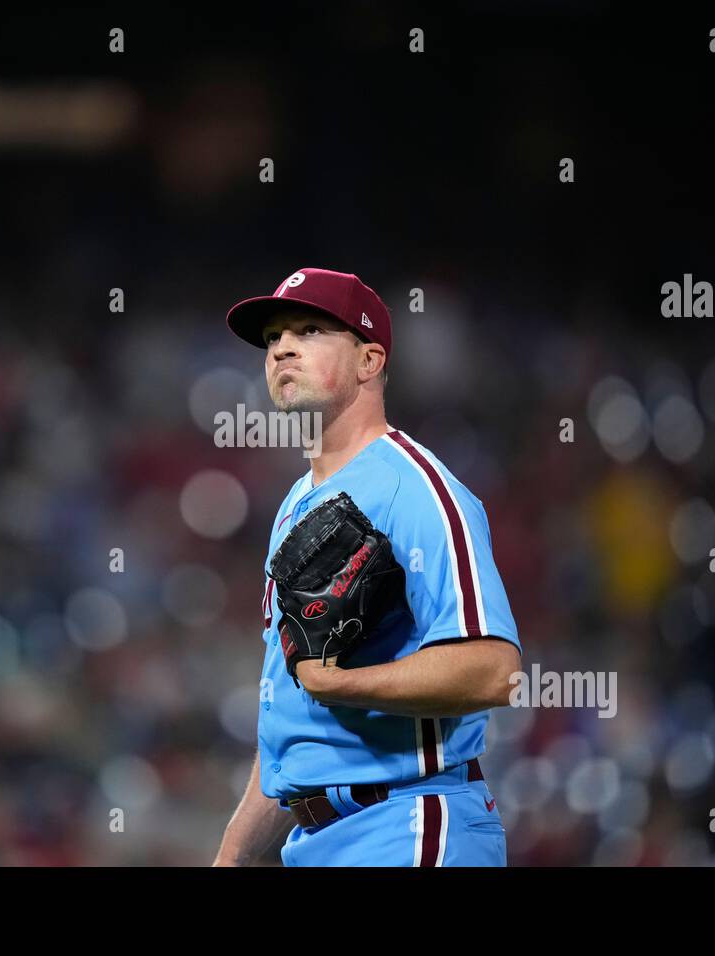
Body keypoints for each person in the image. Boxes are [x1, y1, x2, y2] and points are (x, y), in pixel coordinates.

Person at [212, 268, 522, 867]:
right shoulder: (295, 506)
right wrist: (232, 857)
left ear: (369, 359)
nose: (282, 347)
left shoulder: (419, 490)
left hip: (409, 824)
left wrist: (340, 683)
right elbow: (293, 718)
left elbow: (496, 671)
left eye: (309, 329)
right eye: (273, 337)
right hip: (314, 840)